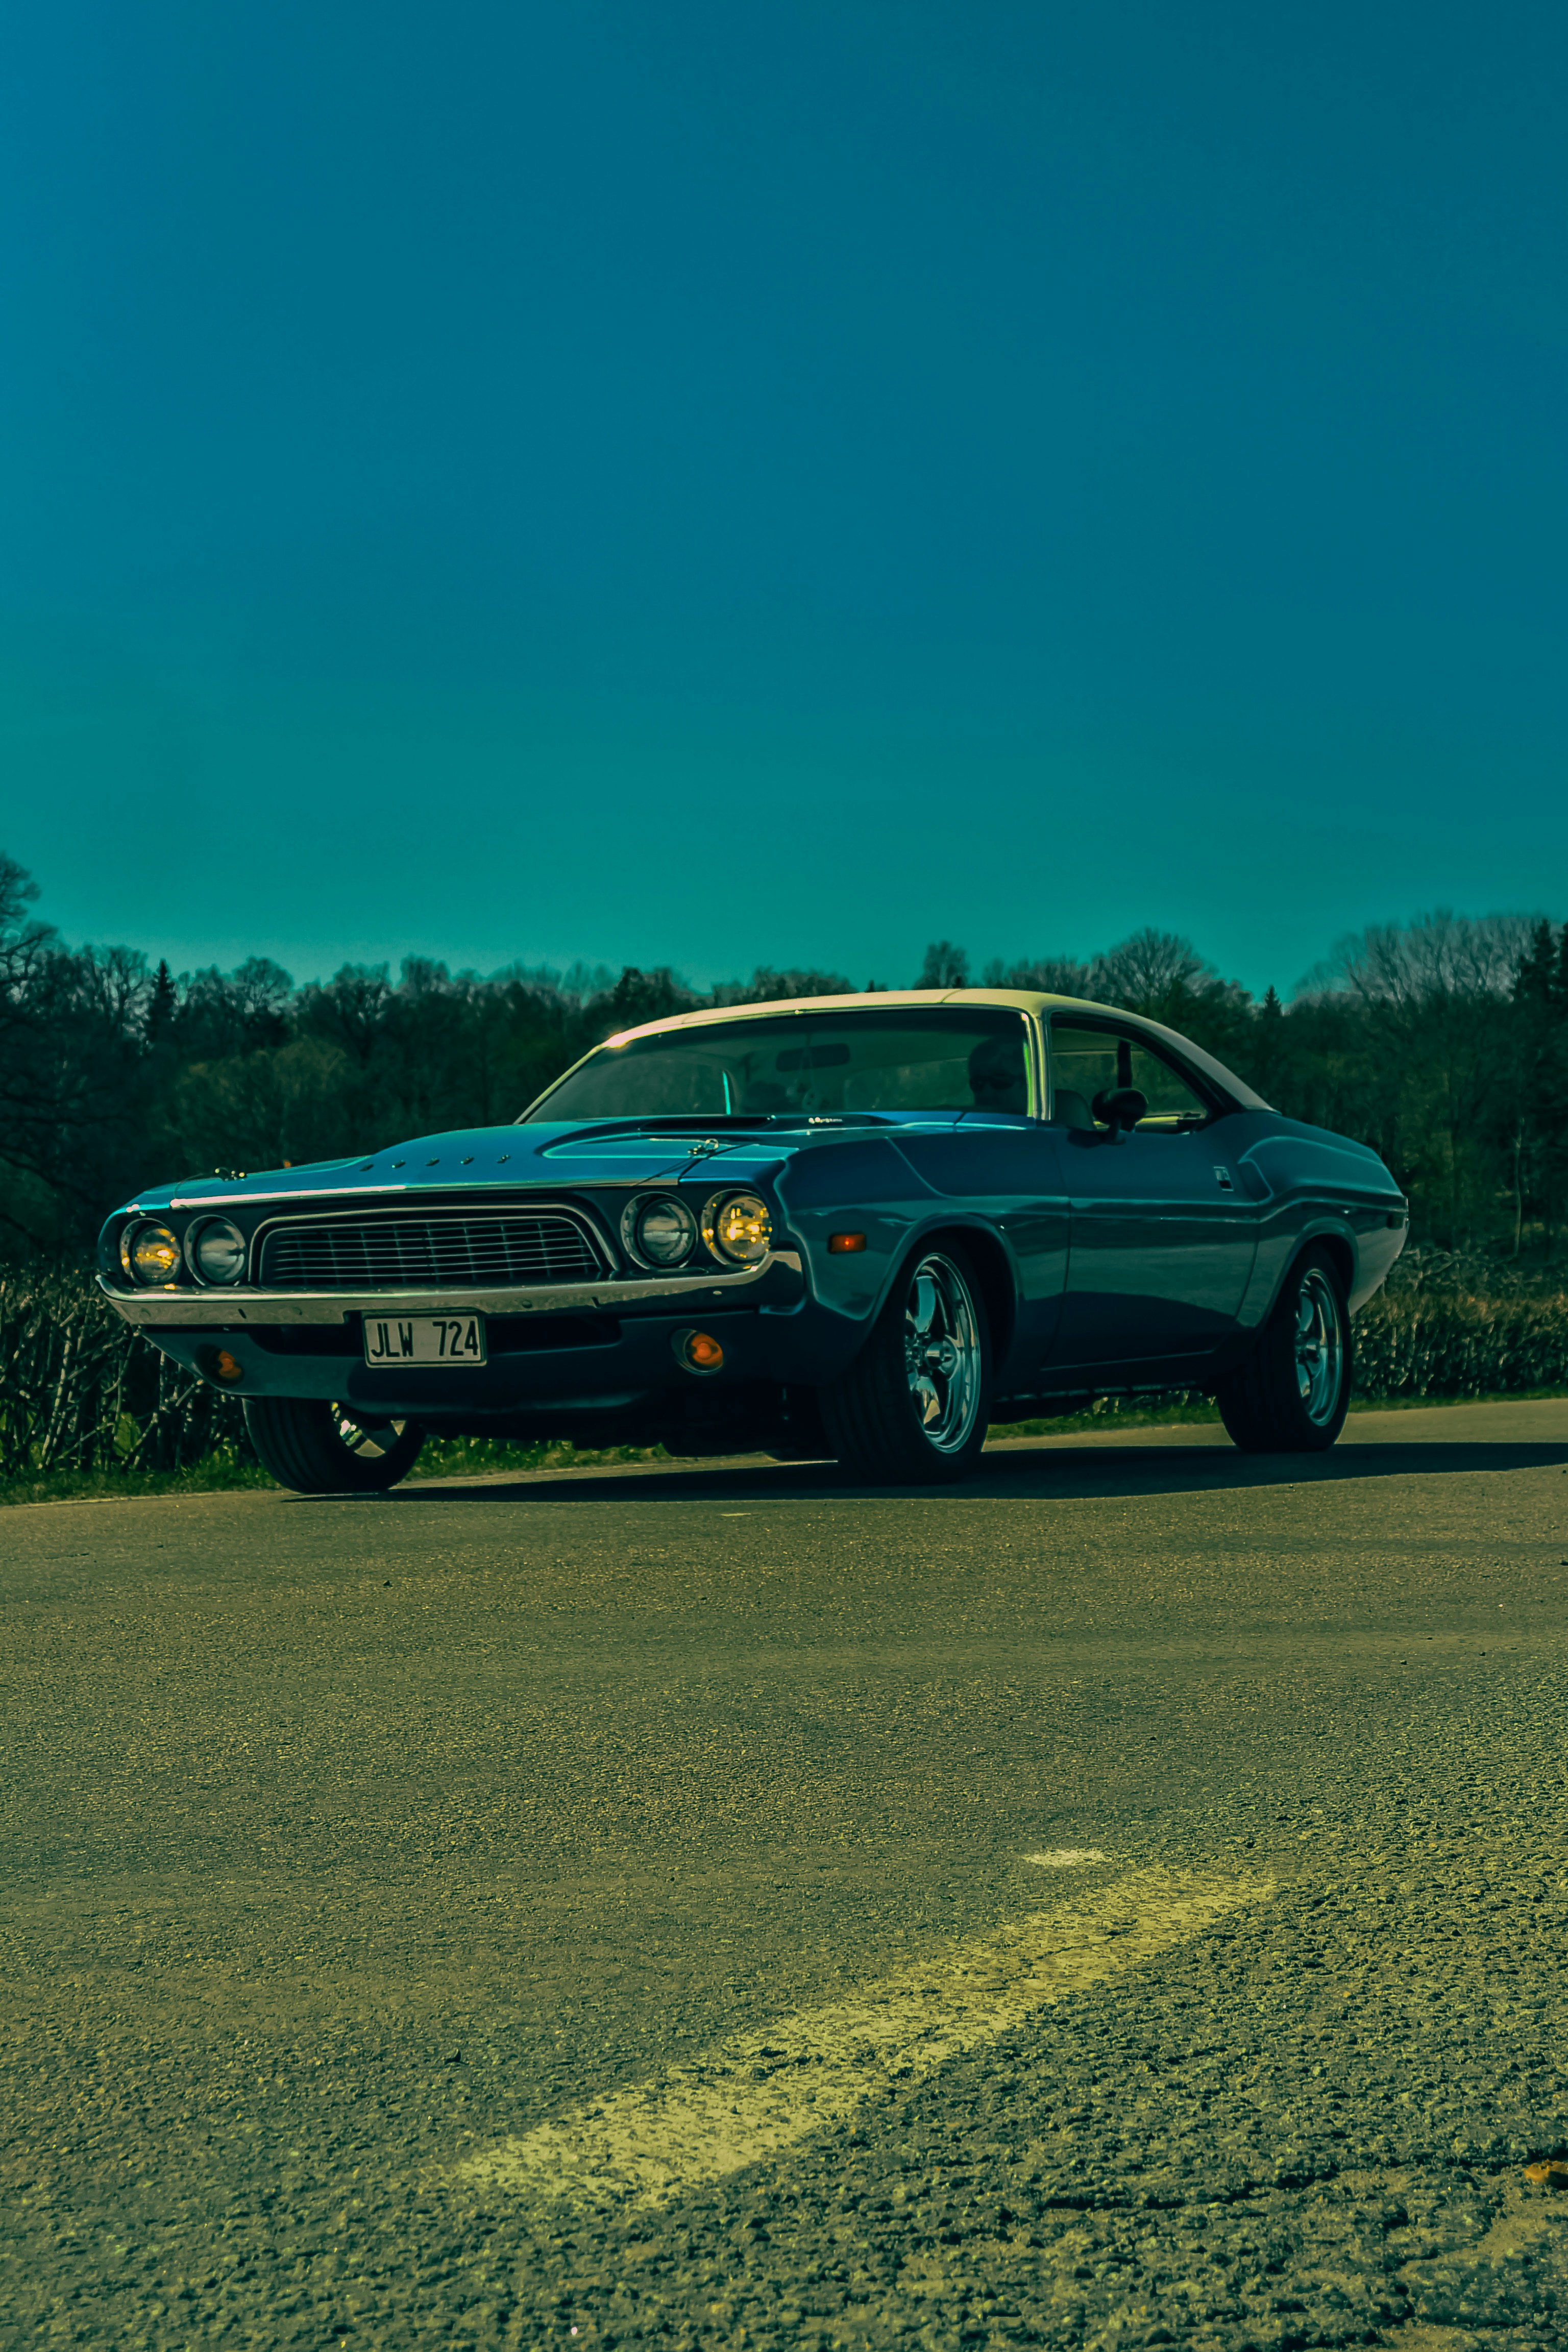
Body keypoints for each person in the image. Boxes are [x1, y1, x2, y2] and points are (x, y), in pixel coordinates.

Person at [966, 1031, 1028, 1114]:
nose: (986, 1092)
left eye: (999, 1081)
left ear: (1026, 1084)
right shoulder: (963, 1124)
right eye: (978, 1083)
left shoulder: (1046, 1124)